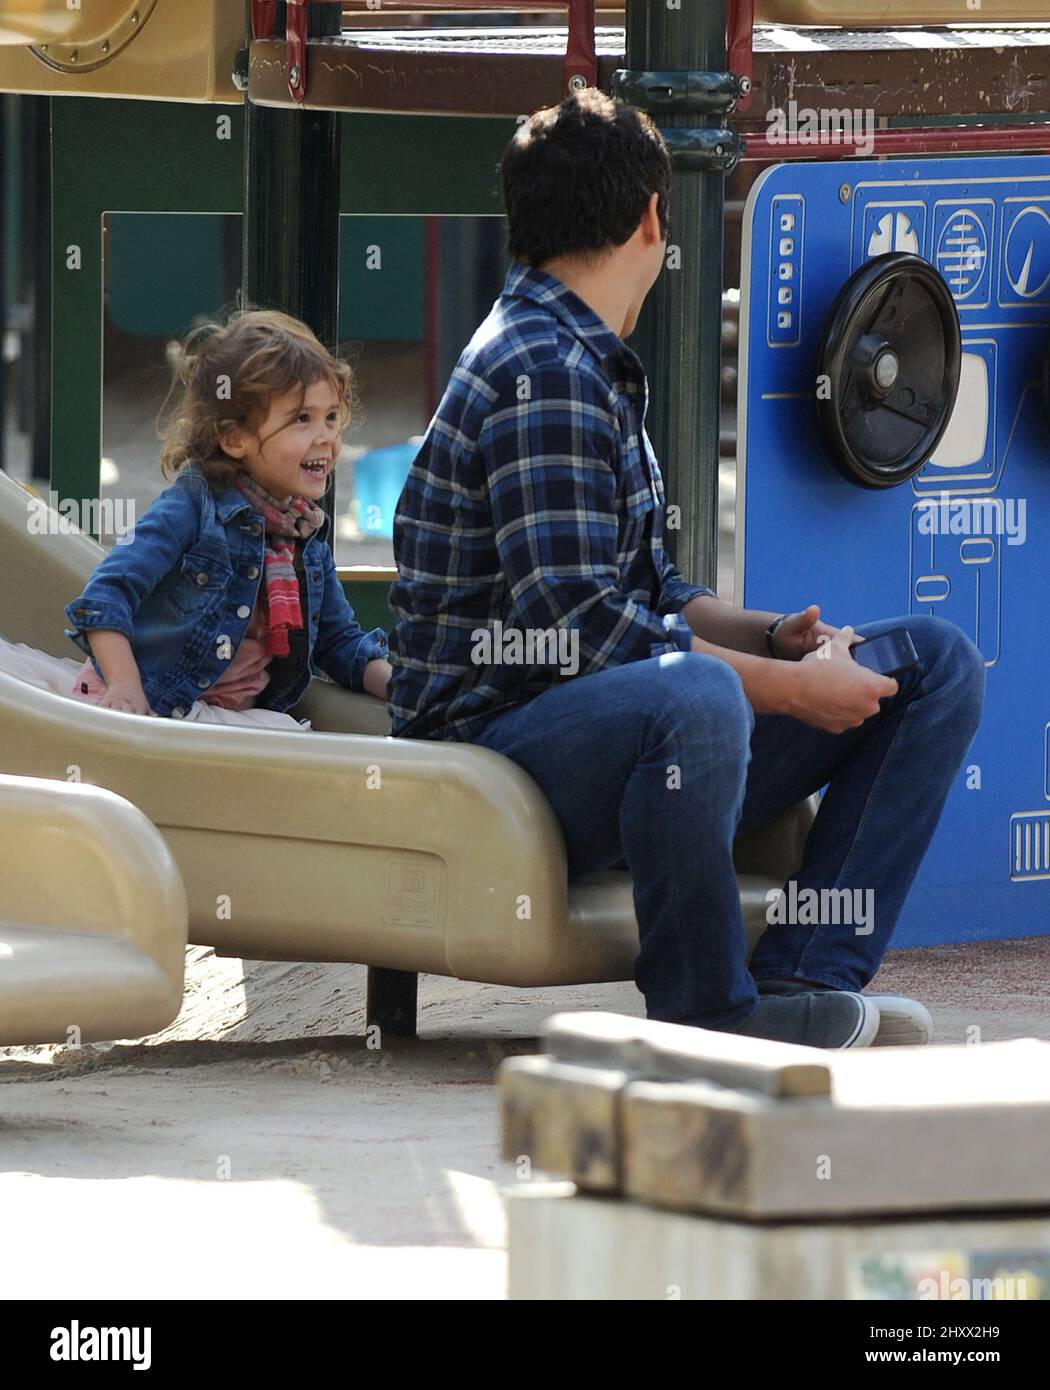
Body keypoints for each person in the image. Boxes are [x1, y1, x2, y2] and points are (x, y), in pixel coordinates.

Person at [387, 90, 986, 1048]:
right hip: (494, 749)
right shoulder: (540, 371)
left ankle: (798, 978)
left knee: (935, 665)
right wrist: (786, 690)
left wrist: (775, 637)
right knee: (697, 696)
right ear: (652, 219)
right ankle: (708, 1008)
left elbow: (651, 594)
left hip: (608, 737)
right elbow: (584, 630)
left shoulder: (585, 357)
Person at [58, 307, 391, 726]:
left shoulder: (303, 529)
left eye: (330, 417)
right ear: (235, 437)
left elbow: (338, 642)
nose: (327, 437)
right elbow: (107, 595)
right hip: (151, 707)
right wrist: (126, 688)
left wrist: (398, 684)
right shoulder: (192, 508)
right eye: (302, 419)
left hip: (230, 719)